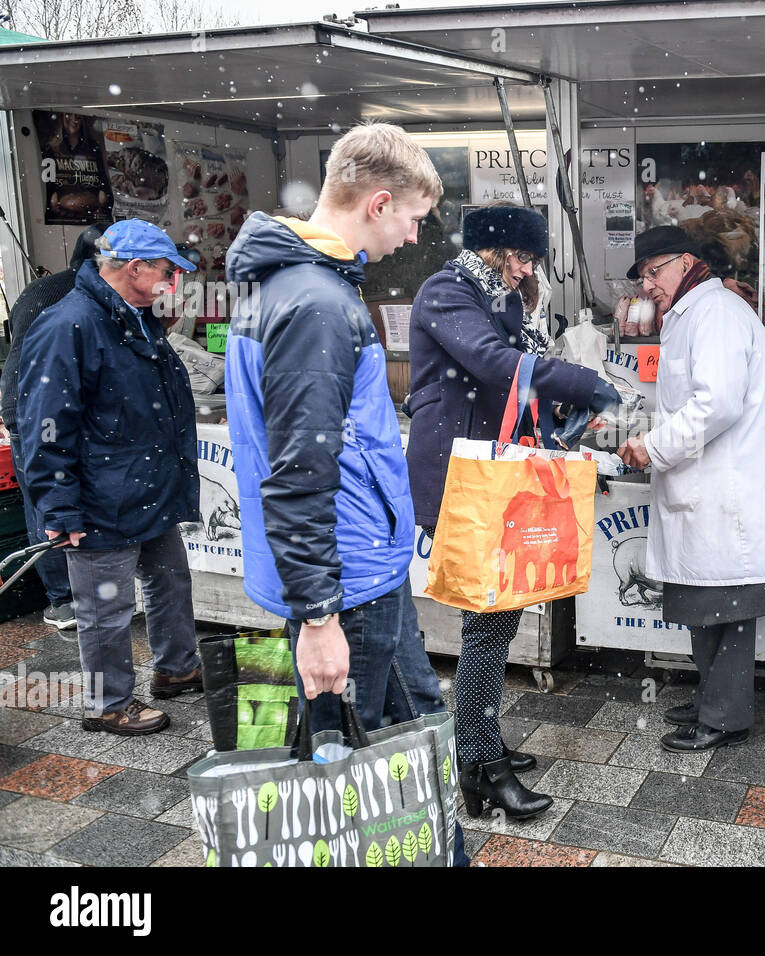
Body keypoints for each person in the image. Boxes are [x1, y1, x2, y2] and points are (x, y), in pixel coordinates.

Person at [225, 122, 471, 866]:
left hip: (356, 568)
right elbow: (301, 470)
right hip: (349, 578)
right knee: (361, 769)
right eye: (414, 219)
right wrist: (319, 615)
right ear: (380, 202)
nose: (412, 236)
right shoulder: (317, 304)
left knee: (408, 724)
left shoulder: (283, 283)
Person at [406, 203, 619, 820]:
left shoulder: (500, 297)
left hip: (496, 472)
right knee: (489, 620)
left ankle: (481, 739)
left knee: (497, 617)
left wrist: (560, 411)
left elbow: (517, 384)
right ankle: (478, 764)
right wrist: (581, 382)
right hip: (462, 477)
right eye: (520, 256)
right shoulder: (448, 292)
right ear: (494, 251)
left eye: (530, 259)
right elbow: (494, 365)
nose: (527, 269)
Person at [617, 226, 765, 753]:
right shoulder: (691, 312)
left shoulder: (715, 313)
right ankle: (712, 696)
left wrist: (654, 446)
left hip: (729, 495)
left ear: (685, 261)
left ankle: (726, 717)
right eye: (643, 277)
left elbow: (718, 405)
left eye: (654, 271)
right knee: (702, 602)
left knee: (726, 606)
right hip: (706, 492)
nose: (649, 285)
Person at [17, 219, 203, 734]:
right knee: (105, 608)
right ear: (135, 267)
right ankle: (109, 703)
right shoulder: (68, 324)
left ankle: (177, 669)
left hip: (147, 486)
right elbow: (45, 425)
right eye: (167, 272)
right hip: (99, 496)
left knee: (170, 582)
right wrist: (58, 508)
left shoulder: (136, 315)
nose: (174, 283)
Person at [1, 223, 108, 629]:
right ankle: (64, 599)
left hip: (23, 403)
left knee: (42, 498)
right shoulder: (80, 295)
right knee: (49, 503)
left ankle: (68, 597)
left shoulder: (40, 289)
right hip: (36, 408)